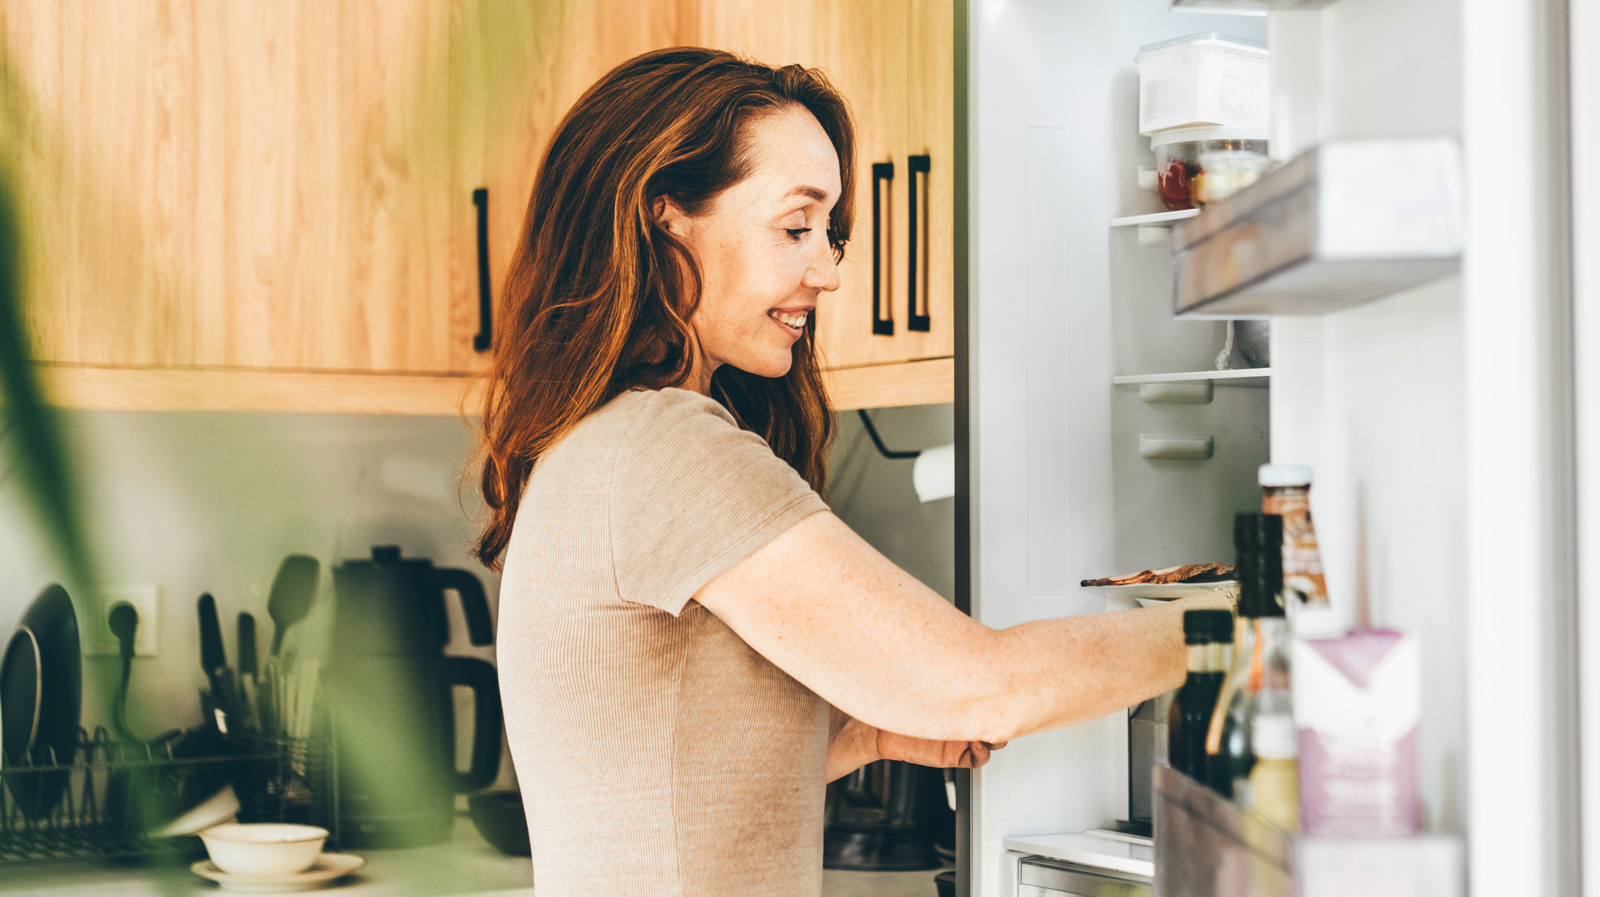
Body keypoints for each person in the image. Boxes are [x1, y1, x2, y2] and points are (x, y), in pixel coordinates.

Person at [475, 47, 1227, 897]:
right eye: (796, 227)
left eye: (829, 233)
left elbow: (651, 782)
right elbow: (982, 688)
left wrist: (862, 737)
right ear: (665, 217)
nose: (828, 270)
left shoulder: (599, 443)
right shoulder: (664, 446)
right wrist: (1245, 628)